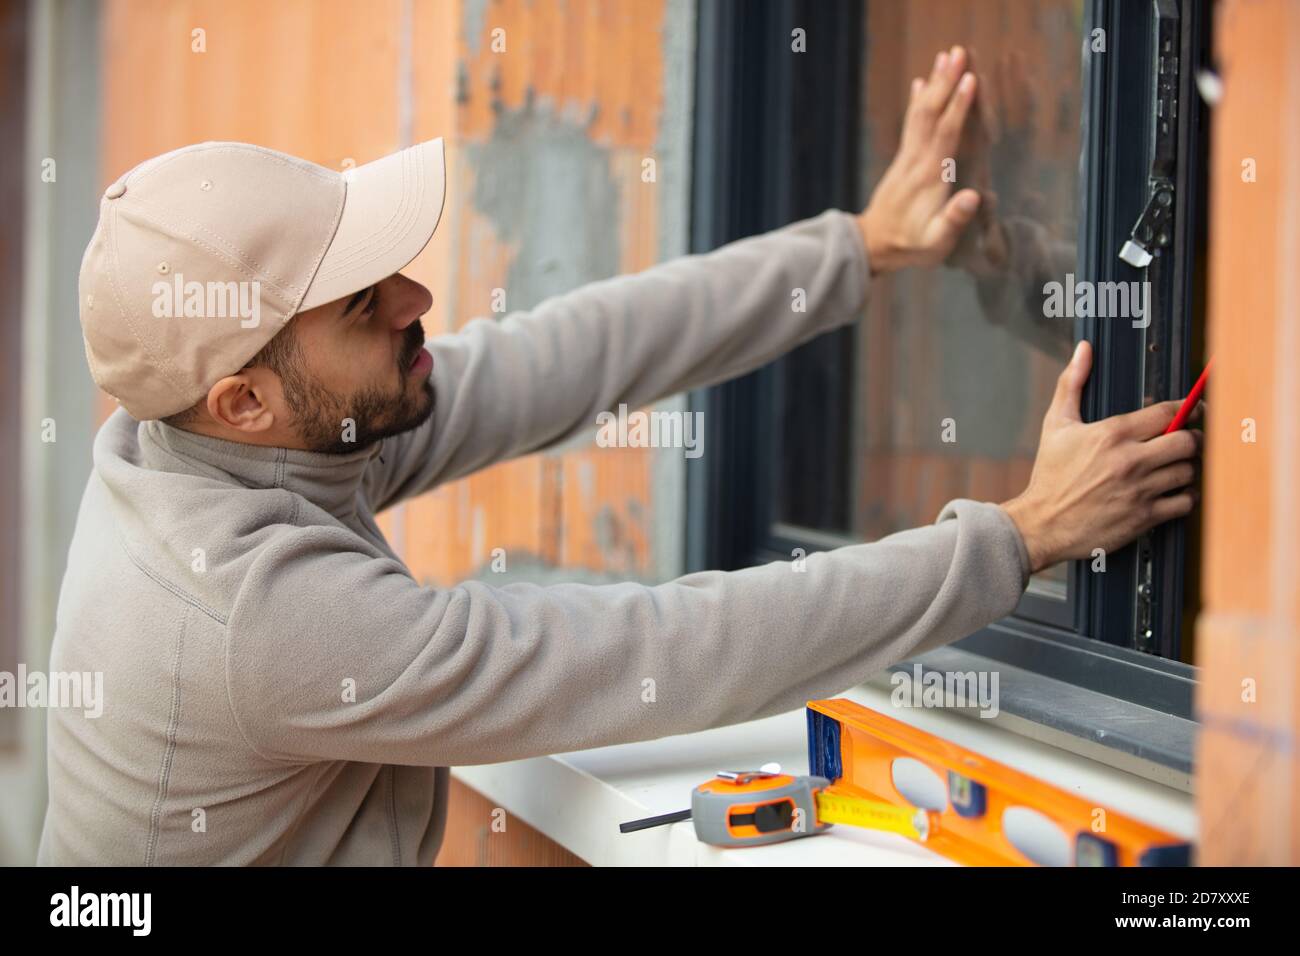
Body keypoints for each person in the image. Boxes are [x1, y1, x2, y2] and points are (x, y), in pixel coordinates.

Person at [38, 46, 1200, 865]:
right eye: (360, 302)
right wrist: (1022, 535)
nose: (418, 296)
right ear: (243, 399)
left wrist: (860, 247)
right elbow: (653, 648)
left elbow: (573, 353)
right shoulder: (256, 614)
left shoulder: (211, 437)